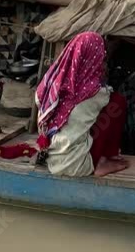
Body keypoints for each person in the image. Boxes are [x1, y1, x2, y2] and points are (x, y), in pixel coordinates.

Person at [35, 32, 129, 177]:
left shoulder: (49, 84)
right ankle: (102, 161)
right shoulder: (95, 93)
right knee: (117, 102)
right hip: (76, 164)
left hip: (49, 156)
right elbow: (107, 95)